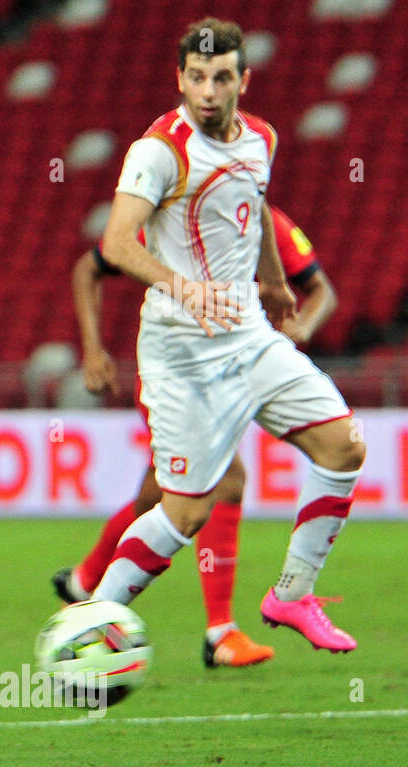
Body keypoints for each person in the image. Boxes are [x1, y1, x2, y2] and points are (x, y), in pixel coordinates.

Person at [88, 19, 364, 655]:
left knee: (344, 449)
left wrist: (272, 279)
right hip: (181, 354)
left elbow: (257, 204)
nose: (206, 91)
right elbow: (116, 241)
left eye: (220, 78)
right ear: (179, 77)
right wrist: (181, 287)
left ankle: (291, 594)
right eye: (195, 77)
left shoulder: (261, 138)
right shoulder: (158, 151)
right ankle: (96, 614)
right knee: (185, 513)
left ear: (244, 79)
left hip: (249, 336)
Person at [55, 205, 338, 668]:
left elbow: (322, 290)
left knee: (159, 498)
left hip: (233, 373)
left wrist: (301, 327)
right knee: (223, 481)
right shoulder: (171, 223)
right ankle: (220, 632)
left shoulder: (265, 221)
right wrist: (92, 350)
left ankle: (83, 584)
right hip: (173, 378)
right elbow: (88, 268)